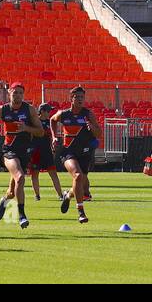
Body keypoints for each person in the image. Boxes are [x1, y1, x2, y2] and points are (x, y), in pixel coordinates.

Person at [0, 84, 43, 228]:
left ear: (23, 94)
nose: (17, 95)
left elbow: (40, 131)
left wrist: (26, 128)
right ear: (9, 93)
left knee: (12, 192)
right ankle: (22, 215)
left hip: (24, 152)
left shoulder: (29, 110)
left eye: (20, 93)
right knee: (20, 177)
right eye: (15, 92)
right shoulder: (2, 109)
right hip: (8, 150)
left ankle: (4, 200)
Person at [51, 86, 101, 224]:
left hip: (85, 153)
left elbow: (98, 134)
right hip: (68, 152)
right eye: (77, 97)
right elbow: (53, 120)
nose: (80, 100)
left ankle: (68, 195)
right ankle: (81, 212)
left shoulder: (88, 114)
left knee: (80, 183)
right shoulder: (64, 114)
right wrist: (54, 137)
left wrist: (93, 127)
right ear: (71, 99)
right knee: (78, 176)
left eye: (82, 97)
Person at [26, 103, 68, 207]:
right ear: (43, 111)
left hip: (47, 151)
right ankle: (37, 195)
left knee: (53, 172)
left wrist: (52, 146)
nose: (50, 113)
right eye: (48, 111)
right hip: (36, 150)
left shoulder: (49, 122)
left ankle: (60, 195)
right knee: (35, 173)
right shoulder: (35, 121)